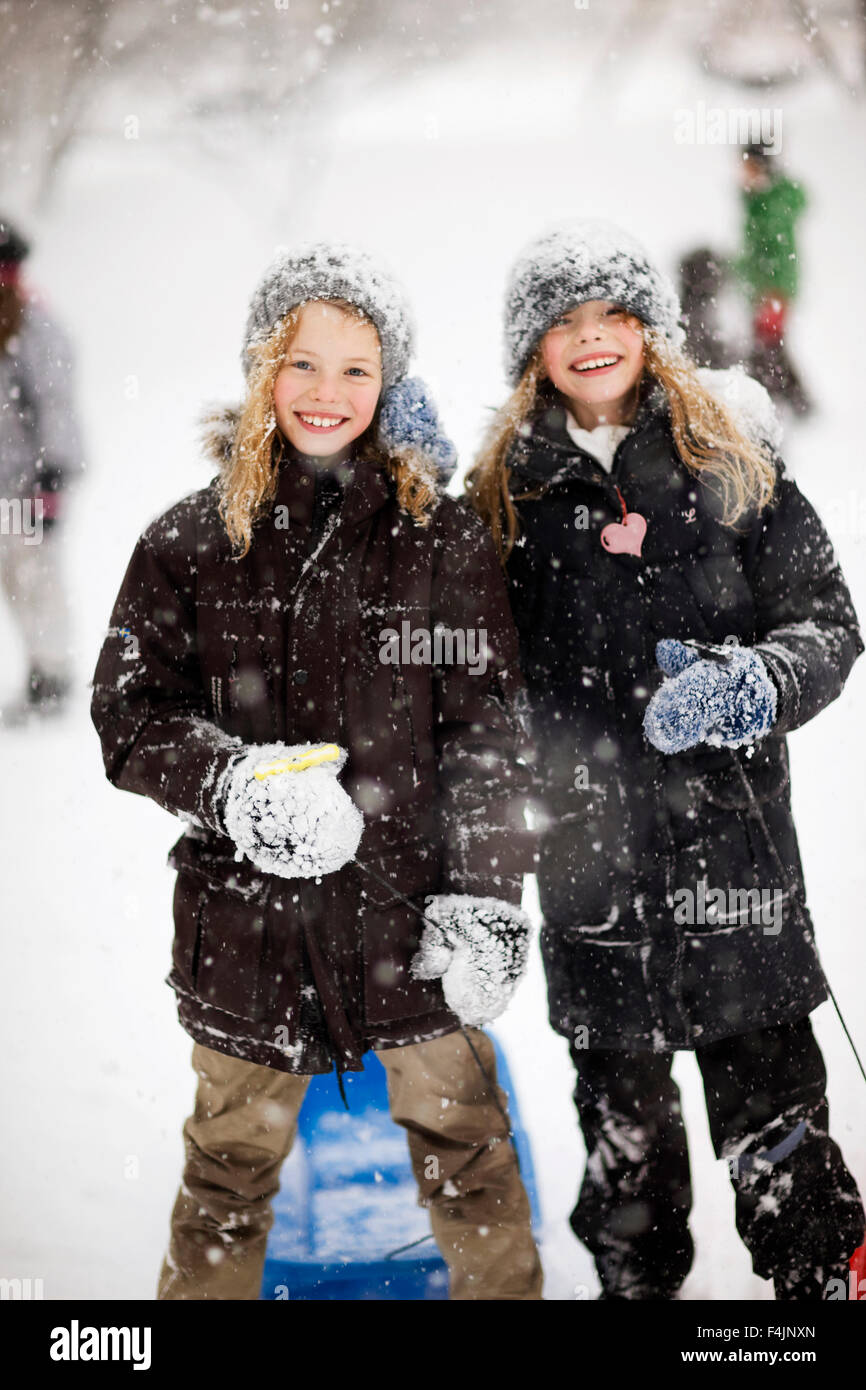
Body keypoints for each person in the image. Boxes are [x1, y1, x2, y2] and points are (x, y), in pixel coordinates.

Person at [90, 243, 542, 1301]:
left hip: (414, 926)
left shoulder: (445, 542)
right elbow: (129, 714)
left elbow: (488, 735)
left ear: (389, 385)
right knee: (227, 1177)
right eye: (302, 364)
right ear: (261, 371)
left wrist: (484, 896)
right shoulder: (190, 541)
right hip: (247, 938)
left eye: (356, 369)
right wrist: (231, 785)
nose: (327, 393)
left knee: (470, 1159)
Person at [465, 219, 865, 1300]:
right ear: (529, 350)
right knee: (628, 1171)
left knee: (786, 1156)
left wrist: (754, 685)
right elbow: (467, 691)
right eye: (564, 323)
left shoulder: (729, 458)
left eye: (615, 315)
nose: (592, 339)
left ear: (652, 329)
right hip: (594, 889)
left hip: (739, 878)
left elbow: (824, 623)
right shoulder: (500, 497)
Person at [0, 216, 84, 724]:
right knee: (14, 579)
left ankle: (51, 674)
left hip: (25, 487)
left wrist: (52, 479)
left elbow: (55, 407)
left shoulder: (33, 329)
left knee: (33, 577)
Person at [734, 141, 811, 415]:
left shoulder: (773, 205)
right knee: (770, 346)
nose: (741, 173)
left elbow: (778, 252)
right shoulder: (756, 202)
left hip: (774, 290)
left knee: (768, 347)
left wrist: (775, 290)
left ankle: (786, 401)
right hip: (762, 288)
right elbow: (752, 250)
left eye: (748, 166)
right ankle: (791, 401)